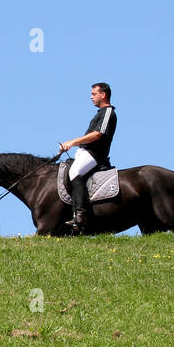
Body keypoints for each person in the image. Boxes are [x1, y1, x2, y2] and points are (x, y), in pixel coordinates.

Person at [58, 82, 116, 234]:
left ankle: (81, 215)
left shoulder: (108, 112)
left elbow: (98, 134)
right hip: (85, 153)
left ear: (103, 95)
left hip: (95, 155)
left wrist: (73, 142)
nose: (91, 97)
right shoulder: (99, 113)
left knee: (75, 172)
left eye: (93, 94)